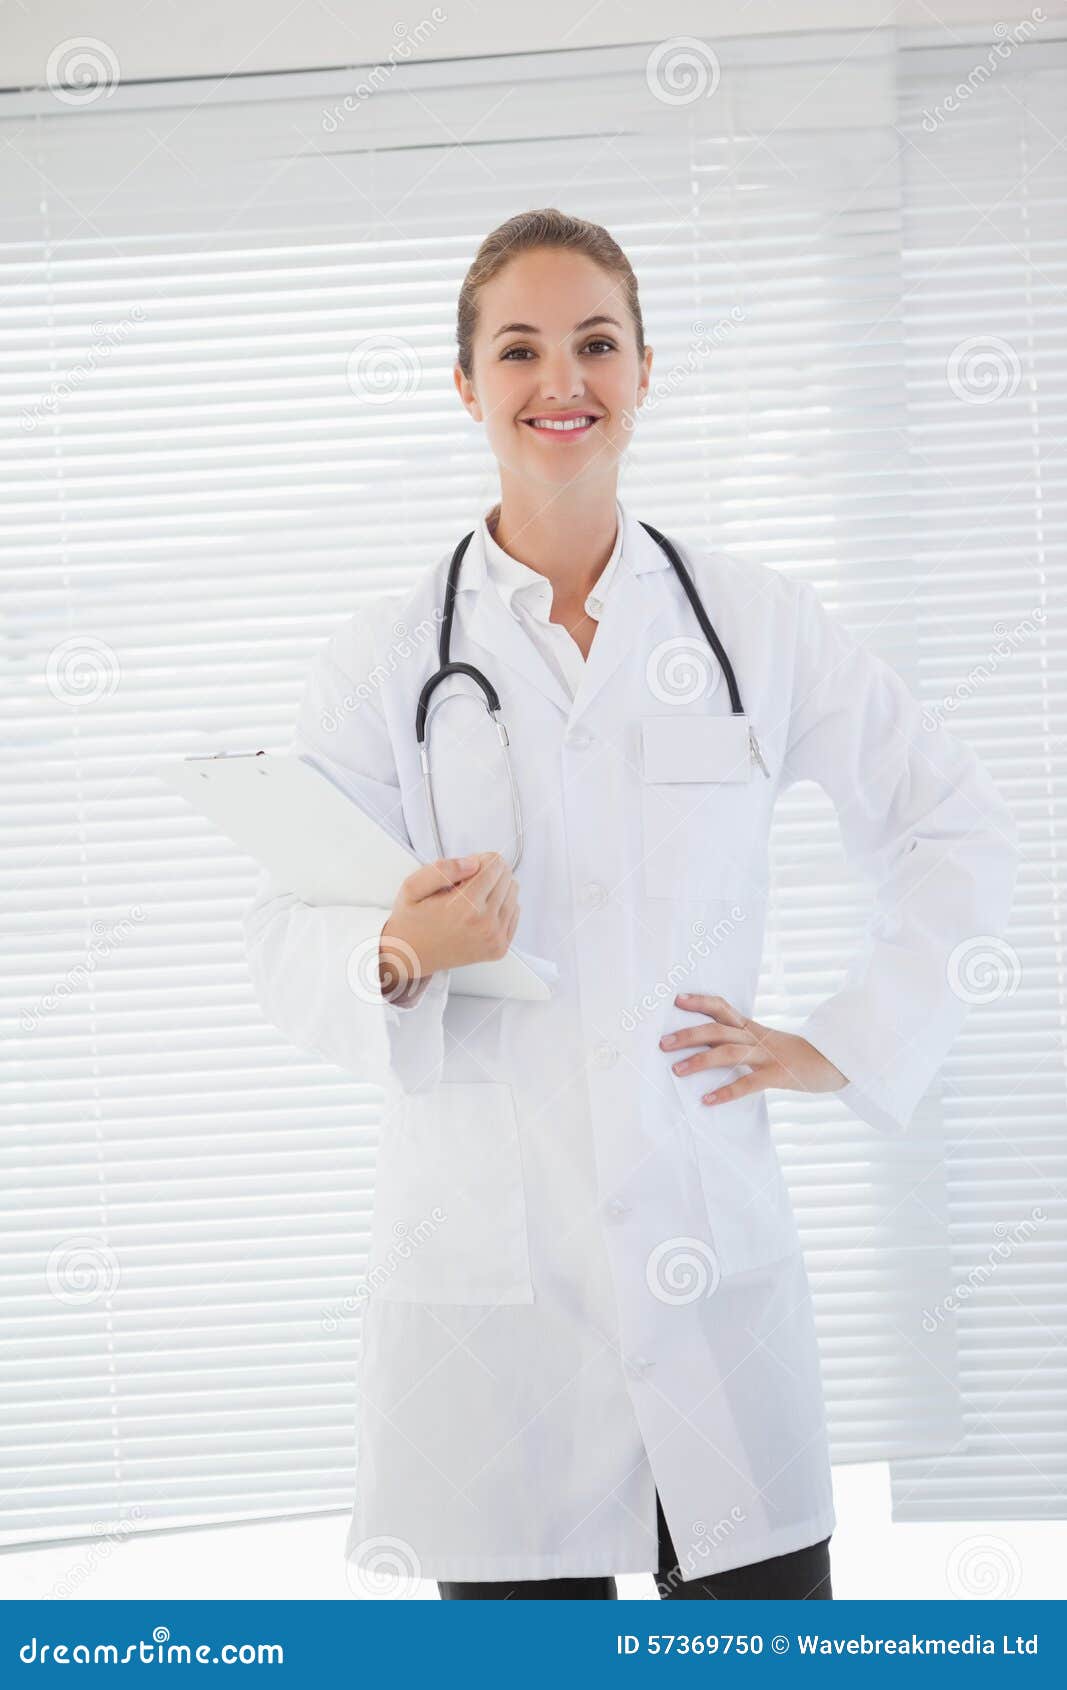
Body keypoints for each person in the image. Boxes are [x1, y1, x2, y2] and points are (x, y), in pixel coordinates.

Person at [242, 207, 1018, 1599]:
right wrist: (400, 948)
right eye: (519, 349)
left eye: (597, 343)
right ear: (466, 384)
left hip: (708, 1264)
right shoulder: (385, 658)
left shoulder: (756, 625)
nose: (563, 380)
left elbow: (950, 823)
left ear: (646, 371)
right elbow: (285, 925)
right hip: (499, 1301)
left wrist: (848, 1039)